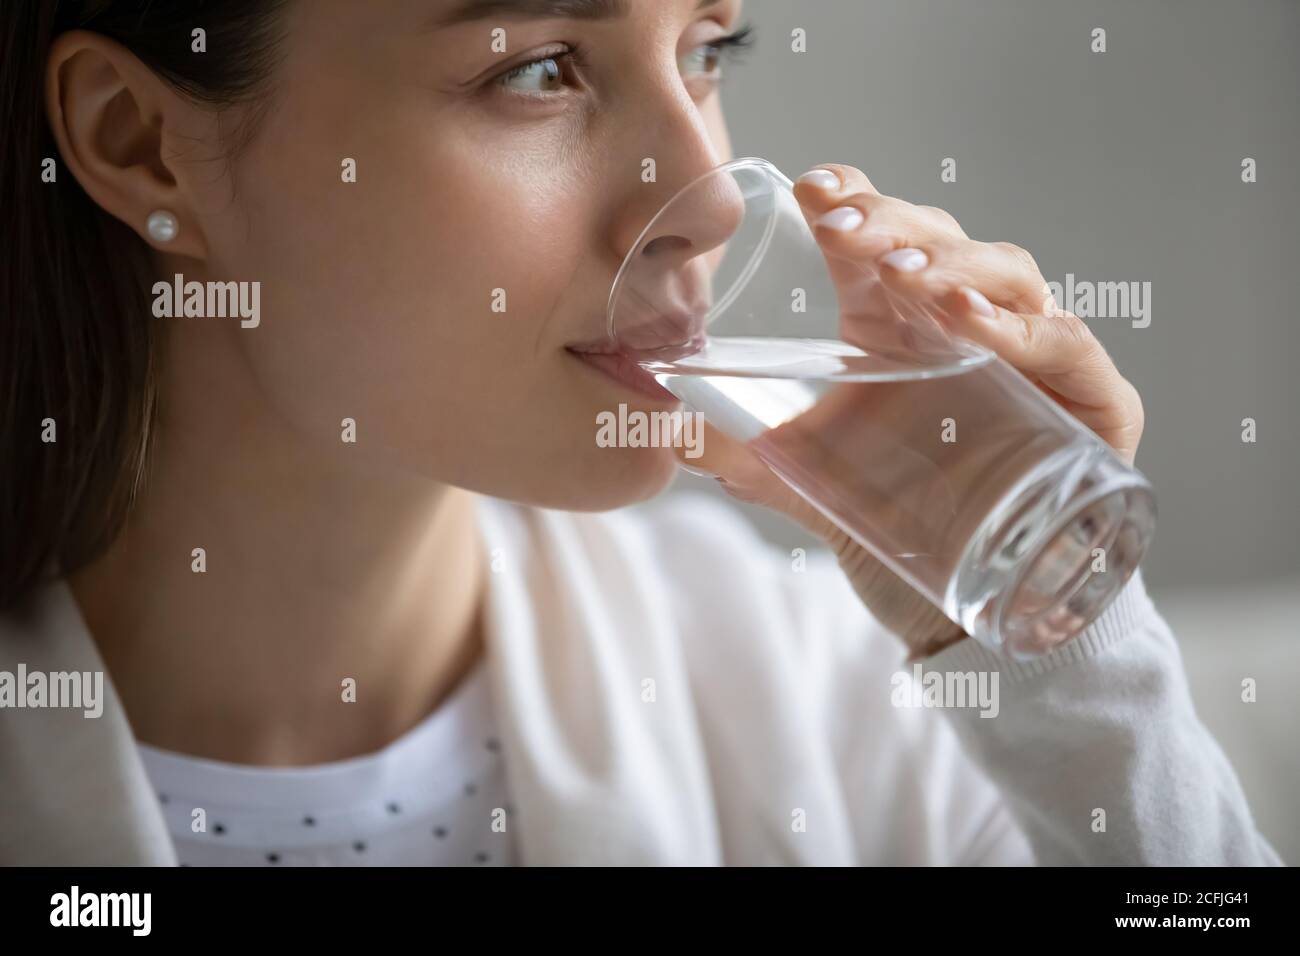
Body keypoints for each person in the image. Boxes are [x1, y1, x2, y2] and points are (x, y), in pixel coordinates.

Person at [0, 0, 1279, 866]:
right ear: (142, 145)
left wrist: (1060, 636)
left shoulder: (825, 696)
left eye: (709, 48)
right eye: (540, 69)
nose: (711, 199)